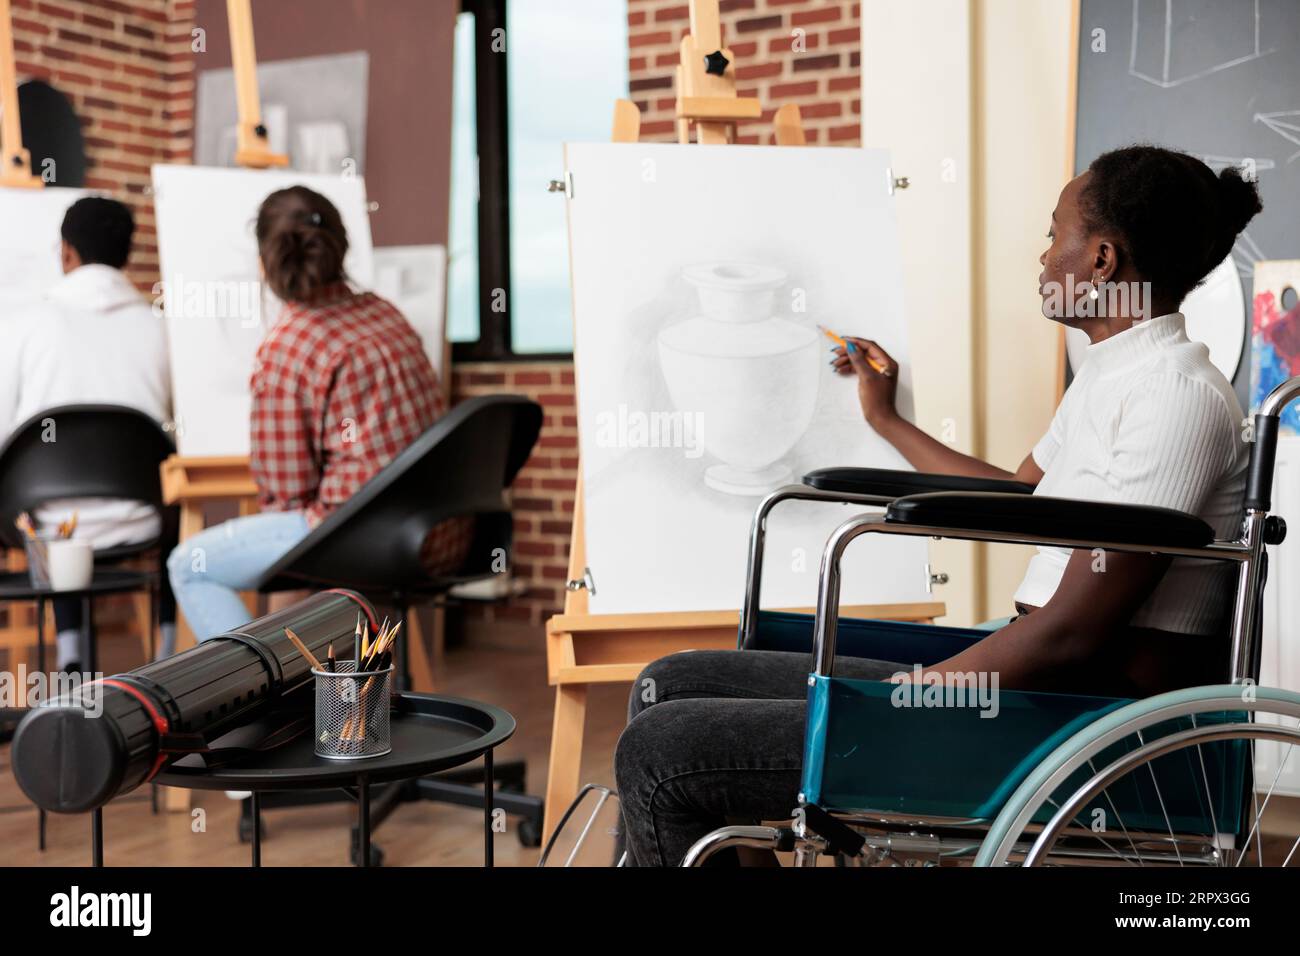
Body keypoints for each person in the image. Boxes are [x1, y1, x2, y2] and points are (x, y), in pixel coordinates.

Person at [614, 144, 1263, 866]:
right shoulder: (1116, 374)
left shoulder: (1176, 398)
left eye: (1056, 234)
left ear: (1103, 260)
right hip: (1026, 687)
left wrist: (912, 700)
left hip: (1066, 716)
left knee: (663, 753)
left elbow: (1074, 634)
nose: (1044, 256)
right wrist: (886, 420)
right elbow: (1018, 500)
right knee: (663, 685)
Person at [167, 186, 467, 640]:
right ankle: (302, 684)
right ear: (340, 246)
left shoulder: (289, 345)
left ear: (266, 261)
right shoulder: (386, 314)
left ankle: (259, 695)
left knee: (189, 566)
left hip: (362, 540)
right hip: (438, 531)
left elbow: (287, 491)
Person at [0, 196, 175, 672]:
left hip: (44, 524)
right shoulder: (161, 329)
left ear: (66, 253)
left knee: (50, 505)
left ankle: (71, 651)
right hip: (145, 519)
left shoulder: (22, 325)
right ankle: (167, 646)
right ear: (126, 255)